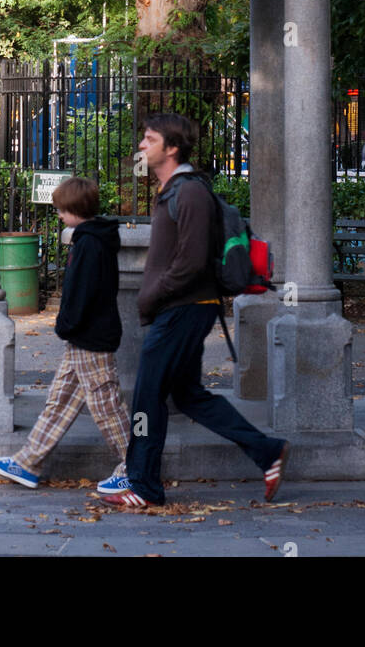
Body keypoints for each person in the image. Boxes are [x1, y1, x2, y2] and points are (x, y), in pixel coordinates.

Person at [101, 113, 288, 509]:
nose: (141, 145)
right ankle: (267, 450)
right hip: (182, 308)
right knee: (188, 396)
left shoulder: (189, 193)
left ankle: (144, 485)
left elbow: (191, 262)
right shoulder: (175, 191)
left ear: (171, 148)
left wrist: (151, 297)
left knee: (147, 399)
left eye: (149, 139)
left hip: (183, 309)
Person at [0, 176, 131, 494]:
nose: (59, 215)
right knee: (60, 401)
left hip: (89, 336)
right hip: (87, 334)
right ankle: (28, 463)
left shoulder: (89, 244)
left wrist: (65, 325)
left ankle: (135, 467)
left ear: (73, 210)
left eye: (61, 210)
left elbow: (80, 293)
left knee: (107, 406)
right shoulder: (94, 239)